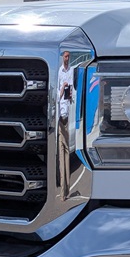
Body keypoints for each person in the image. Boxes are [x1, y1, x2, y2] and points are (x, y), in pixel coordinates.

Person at [57, 51, 74, 199]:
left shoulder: (72, 71)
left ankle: (65, 191)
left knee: (66, 151)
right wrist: (62, 89)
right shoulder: (59, 72)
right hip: (59, 116)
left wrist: (70, 93)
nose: (67, 59)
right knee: (61, 152)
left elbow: (72, 93)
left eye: (69, 56)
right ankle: (63, 192)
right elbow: (56, 94)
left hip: (68, 114)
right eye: (65, 56)